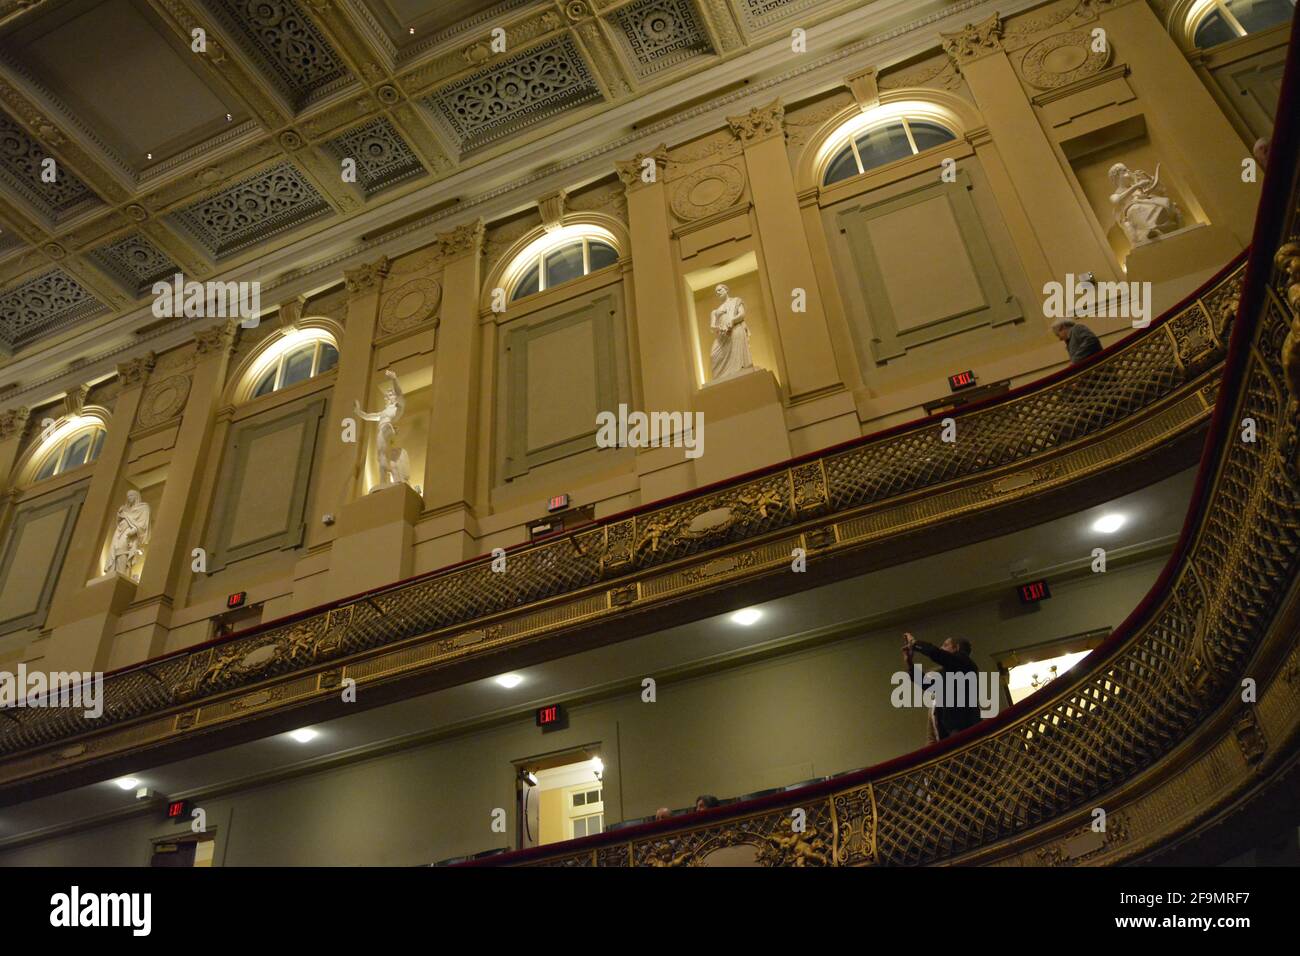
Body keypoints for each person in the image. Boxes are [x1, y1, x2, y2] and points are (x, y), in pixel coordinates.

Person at [902, 632, 982, 740]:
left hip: (967, 730)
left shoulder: (965, 663)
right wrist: (909, 662)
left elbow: (937, 653)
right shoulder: (949, 675)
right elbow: (926, 684)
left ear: (956, 648)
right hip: (951, 733)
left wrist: (914, 643)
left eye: (945, 645)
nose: (941, 648)